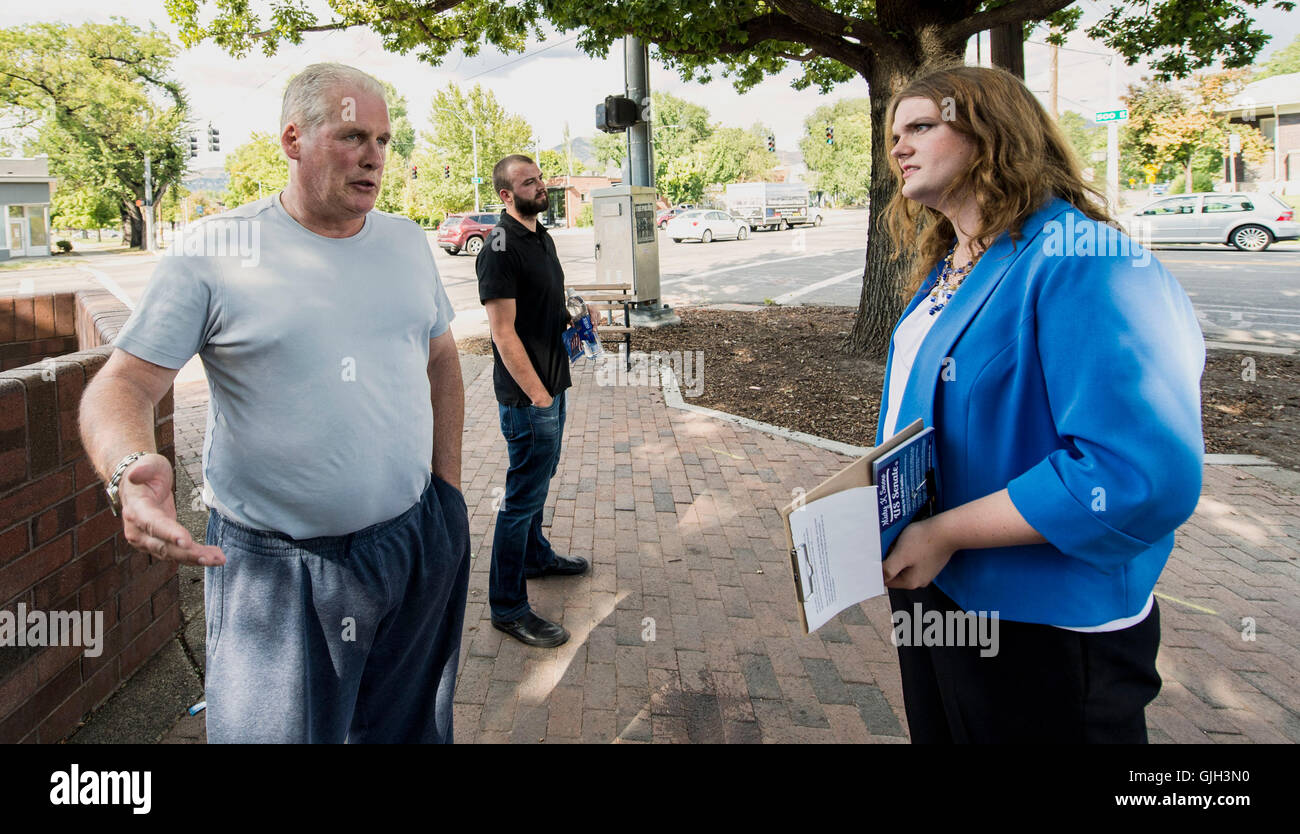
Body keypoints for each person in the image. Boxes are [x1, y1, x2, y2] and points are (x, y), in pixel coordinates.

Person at [78, 63, 470, 743]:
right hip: (277, 570)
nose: (373, 156)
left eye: (382, 139)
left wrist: (448, 497)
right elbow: (123, 385)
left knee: (409, 732)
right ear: (293, 139)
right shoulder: (215, 251)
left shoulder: (407, 241)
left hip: (413, 543)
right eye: (352, 136)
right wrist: (127, 468)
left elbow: (440, 360)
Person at [875, 65, 1204, 743]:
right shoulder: (954, 263)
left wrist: (944, 532)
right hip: (945, 594)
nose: (898, 147)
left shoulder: (1084, 261)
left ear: (993, 132)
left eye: (922, 127)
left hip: (1045, 628)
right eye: (893, 135)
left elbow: (1137, 477)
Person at [477, 154, 590, 648]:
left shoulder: (539, 235)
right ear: (506, 195)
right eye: (529, 182)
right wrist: (540, 396)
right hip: (529, 398)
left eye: (540, 178)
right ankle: (507, 606)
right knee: (520, 500)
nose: (540, 186)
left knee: (539, 482)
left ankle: (536, 557)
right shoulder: (499, 245)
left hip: (552, 385)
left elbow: (533, 310)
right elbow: (502, 334)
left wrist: (569, 319)